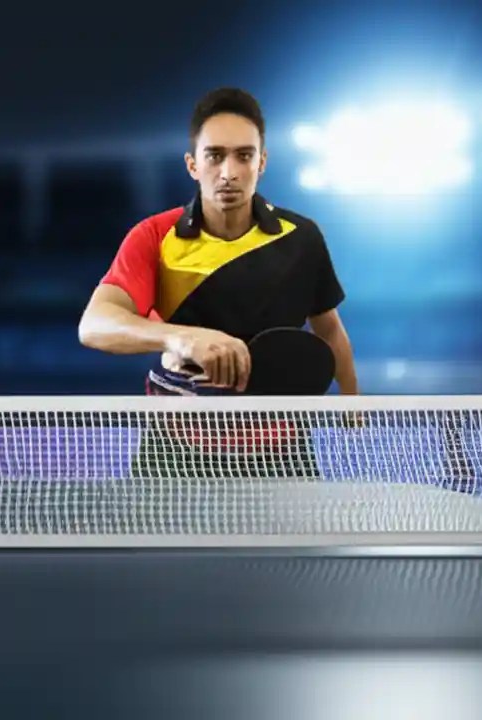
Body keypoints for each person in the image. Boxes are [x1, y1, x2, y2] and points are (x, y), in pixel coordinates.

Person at [77, 88, 358, 491]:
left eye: (244, 156)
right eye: (214, 156)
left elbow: (328, 328)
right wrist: (184, 338)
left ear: (262, 162)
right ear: (193, 165)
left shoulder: (303, 237)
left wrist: (354, 403)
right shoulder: (155, 236)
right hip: (174, 447)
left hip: (279, 448)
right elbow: (94, 324)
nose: (229, 171)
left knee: (295, 556)